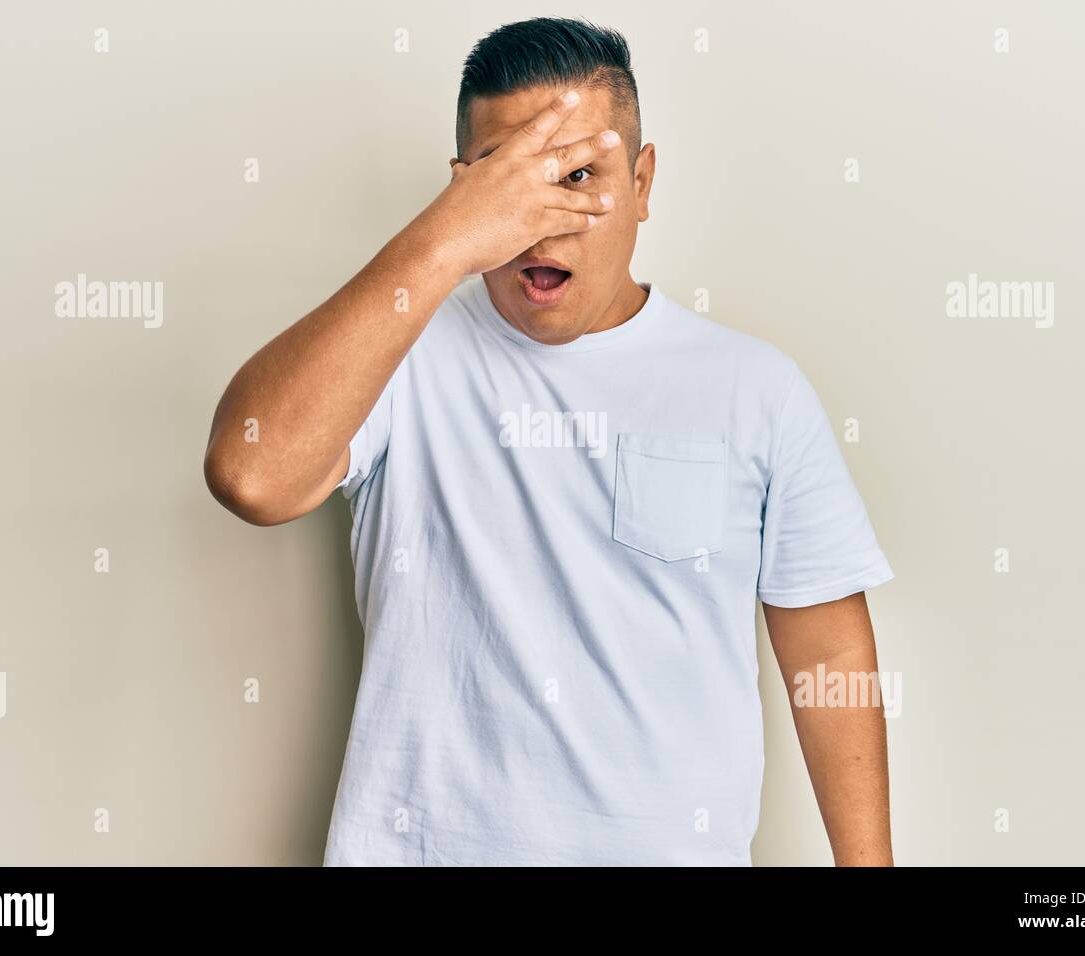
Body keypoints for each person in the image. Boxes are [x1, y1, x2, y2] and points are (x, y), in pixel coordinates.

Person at [204, 17, 895, 866]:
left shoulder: (757, 390)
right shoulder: (397, 360)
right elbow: (249, 473)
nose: (543, 222)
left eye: (578, 176)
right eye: (509, 184)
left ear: (642, 183)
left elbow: (827, 647)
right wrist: (449, 236)